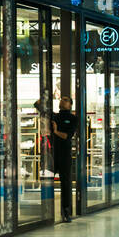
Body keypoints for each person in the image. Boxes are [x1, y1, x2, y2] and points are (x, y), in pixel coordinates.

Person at [49, 95, 79, 223]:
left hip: (65, 154)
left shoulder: (73, 118)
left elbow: (67, 136)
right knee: (47, 181)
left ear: (70, 104)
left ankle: (66, 212)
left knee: (65, 184)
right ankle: (46, 213)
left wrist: (56, 131)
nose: (62, 101)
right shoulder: (54, 116)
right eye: (62, 99)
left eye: (66, 100)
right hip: (52, 154)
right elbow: (37, 105)